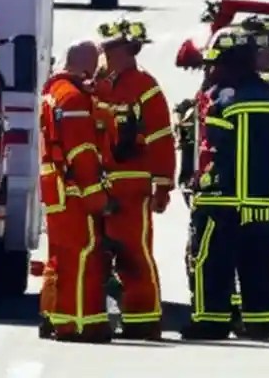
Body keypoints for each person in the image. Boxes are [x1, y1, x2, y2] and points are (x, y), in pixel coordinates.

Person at [181, 26, 269, 341]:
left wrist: (199, 187)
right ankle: (260, 323)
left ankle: (212, 321)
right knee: (257, 267)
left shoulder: (221, 101)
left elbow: (212, 150)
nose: (211, 69)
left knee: (211, 262)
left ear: (230, 62)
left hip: (223, 201)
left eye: (215, 62)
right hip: (265, 205)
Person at [91, 19, 175, 340]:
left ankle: (144, 320)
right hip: (98, 182)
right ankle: (103, 313)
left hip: (131, 183)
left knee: (133, 253)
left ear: (126, 51)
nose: (104, 55)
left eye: (109, 49)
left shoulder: (145, 88)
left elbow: (161, 138)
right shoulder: (98, 85)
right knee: (96, 252)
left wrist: (163, 184)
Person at [38, 40, 113, 343]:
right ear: (85, 65)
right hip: (72, 191)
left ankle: (59, 318)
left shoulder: (53, 93)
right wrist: (97, 196)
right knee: (82, 255)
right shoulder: (74, 99)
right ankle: (76, 324)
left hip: (55, 189)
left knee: (60, 257)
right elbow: (82, 153)